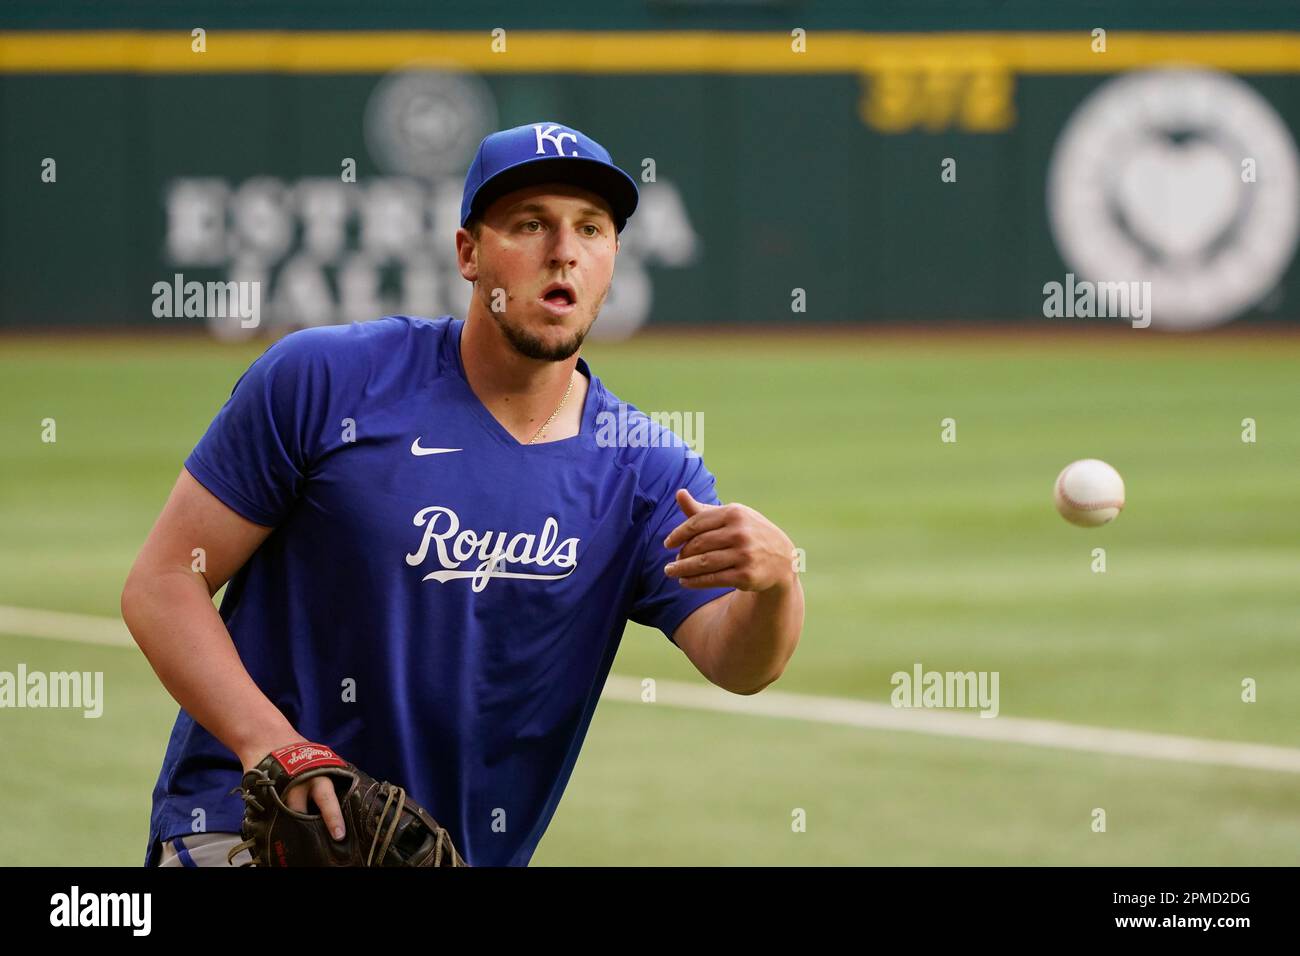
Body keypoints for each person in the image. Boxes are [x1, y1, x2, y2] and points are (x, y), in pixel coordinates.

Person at [122, 121, 804, 867]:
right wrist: (271, 744)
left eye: (591, 228)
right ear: (468, 253)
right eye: (530, 224)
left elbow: (739, 664)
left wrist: (774, 585)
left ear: (612, 259)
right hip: (249, 827)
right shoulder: (324, 381)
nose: (564, 250)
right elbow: (162, 582)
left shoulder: (645, 470)